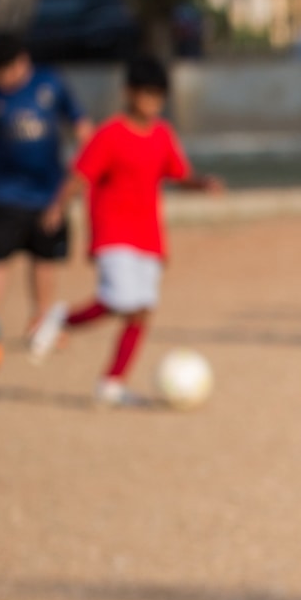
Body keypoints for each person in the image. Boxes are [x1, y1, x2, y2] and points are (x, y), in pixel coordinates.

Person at [26, 55, 223, 405]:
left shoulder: (162, 135)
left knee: (141, 310)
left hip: (148, 235)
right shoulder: (110, 134)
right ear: (129, 93)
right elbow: (80, 176)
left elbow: (178, 175)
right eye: (145, 94)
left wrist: (201, 183)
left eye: (158, 96)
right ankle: (59, 317)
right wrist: (58, 206)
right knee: (119, 301)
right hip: (113, 232)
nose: (152, 103)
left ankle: (112, 383)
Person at [0, 29, 90, 333]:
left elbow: (82, 126)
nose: (3, 77)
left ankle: (42, 321)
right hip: (6, 193)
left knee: (44, 257)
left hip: (49, 193)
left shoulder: (51, 84)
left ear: (23, 61)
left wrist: (82, 166)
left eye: (8, 69)